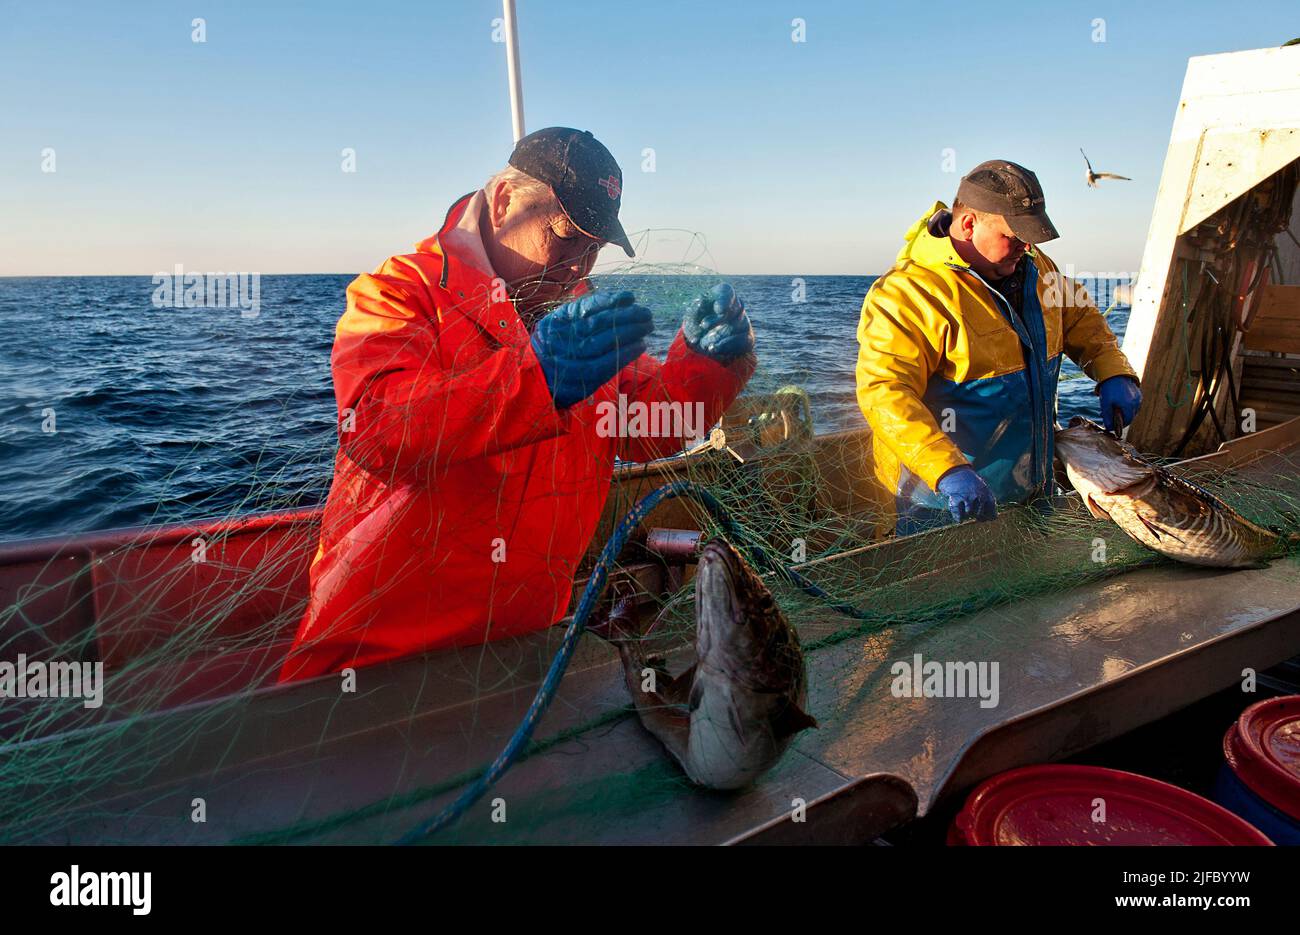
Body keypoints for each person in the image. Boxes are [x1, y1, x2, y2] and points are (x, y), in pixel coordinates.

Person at [280, 127, 756, 682]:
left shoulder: (576, 315)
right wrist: (541, 381)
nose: (578, 268)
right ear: (503, 200)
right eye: (565, 237)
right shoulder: (398, 295)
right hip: (373, 662)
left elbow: (654, 428)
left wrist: (708, 366)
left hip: (524, 654)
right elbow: (379, 430)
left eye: (593, 250)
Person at [855, 160, 1142, 536]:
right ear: (969, 224)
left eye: (1031, 237)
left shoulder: (1036, 265)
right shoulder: (906, 295)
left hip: (1033, 491)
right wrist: (947, 469)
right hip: (944, 500)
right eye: (1015, 235)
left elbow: (1078, 316)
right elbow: (884, 393)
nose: (1026, 246)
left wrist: (1112, 370)